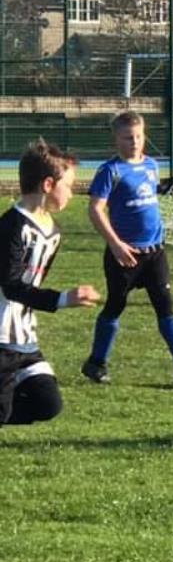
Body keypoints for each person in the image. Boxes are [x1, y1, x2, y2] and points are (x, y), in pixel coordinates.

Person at [81, 112, 173, 386]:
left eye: (139, 136)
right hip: (125, 255)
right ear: (116, 139)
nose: (135, 142)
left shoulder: (151, 165)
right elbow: (95, 209)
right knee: (115, 306)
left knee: (166, 306)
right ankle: (96, 363)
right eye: (128, 137)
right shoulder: (110, 171)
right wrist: (115, 244)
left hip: (155, 253)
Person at [0, 140, 101, 427]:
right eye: (68, 185)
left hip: (25, 338)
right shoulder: (12, 227)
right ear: (47, 184)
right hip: (2, 339)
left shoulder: (52, 232)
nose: (72, 191)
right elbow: (11, 286)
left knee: (47, 403)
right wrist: (62, 299)